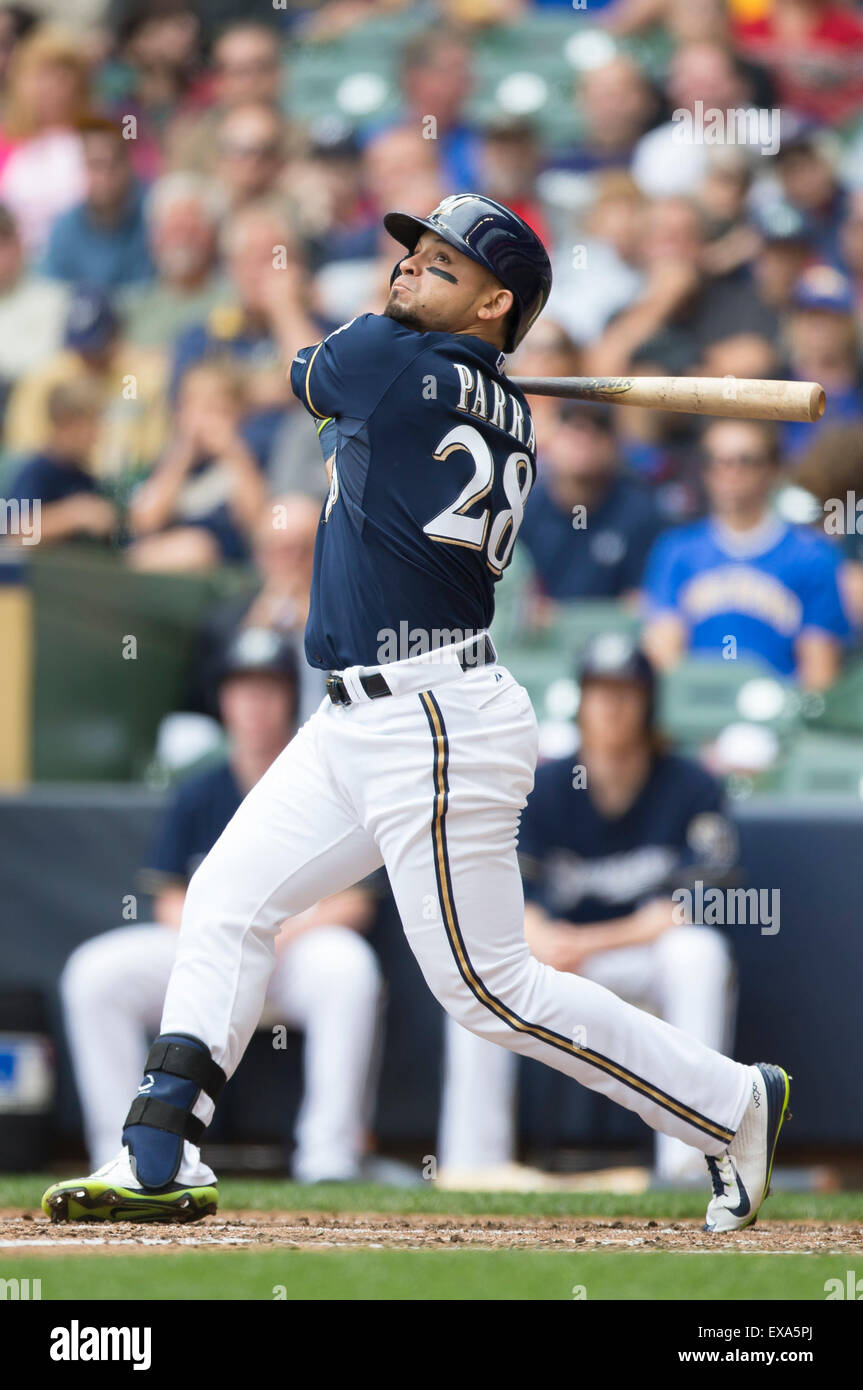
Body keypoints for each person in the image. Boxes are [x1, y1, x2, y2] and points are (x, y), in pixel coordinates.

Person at [43, 193, 789, 1236]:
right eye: (410, 255)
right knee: (225, 896)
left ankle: (729, 1104)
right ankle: (157, 1150)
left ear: (494, 302)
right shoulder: (500, 402)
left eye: (441, 265)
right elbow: (367, 377)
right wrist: (442, 335)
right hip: (362, 716)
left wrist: (400, 331)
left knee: (486, 989)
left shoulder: (392, 364)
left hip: (430, 717)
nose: (406, 271)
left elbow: (310, 373)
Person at [59, 629, 382, 1184]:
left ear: (289, 697)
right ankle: (121, 1153)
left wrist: (275, 933)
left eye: (268, 688)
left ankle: (329, 1157)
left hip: (297, 953)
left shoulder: (324, 783)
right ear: (223, 699)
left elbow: (355, 904)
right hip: (210, 954)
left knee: (348, 967)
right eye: (242, 688)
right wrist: (231, 935)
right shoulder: (200, 790)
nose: (255, 704)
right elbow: (167, 900)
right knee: (94, 974)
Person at [440, 635, 739, 1186]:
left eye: (624, 692)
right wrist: (538, 934)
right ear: (580, 701)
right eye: (599, 692)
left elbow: (690, 905)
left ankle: (689, 1165)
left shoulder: (691, 784)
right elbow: (505, 893)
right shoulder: (545, 784)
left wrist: (585, 943)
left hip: (637, 957)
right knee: (477, 971)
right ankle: (473, 1162)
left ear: (648, 702)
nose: (611, 707)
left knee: (698, 954)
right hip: (558, 959)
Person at [642, 417, 851, 688]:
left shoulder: (813, 556)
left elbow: (819, 675)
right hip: (697, 713)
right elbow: (665, 659)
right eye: (717, 461)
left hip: (776, 716)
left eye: (745, 461)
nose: (730, 473)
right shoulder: (676, 550)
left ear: (774, 469)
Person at [126, 359, 268, 571]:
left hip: (224, 568)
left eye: (217, 410)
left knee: (196, 548)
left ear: (242, 415)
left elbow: (257, 525)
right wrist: (181, 459)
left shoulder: (248, 458)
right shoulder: (171, 459)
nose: (202, 421)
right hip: (166, 562)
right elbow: (146, 520)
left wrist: (234, 454)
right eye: (193, 408)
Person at [518, 399, 664, 602]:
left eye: (599, 426)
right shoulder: (523, 508)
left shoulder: (640, 513)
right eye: (572, 424)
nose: (584, 436)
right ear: (551, 438)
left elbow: (641, 602)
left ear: (615, 443)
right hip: (532, 632)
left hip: (613, 632)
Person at [41, 117, 154, 290]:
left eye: (114, 163)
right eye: (96, 165)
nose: (105, 176)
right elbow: (53, 296)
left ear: (129, 165)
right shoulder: (64, 229)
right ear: (82, 166)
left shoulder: (153, 216)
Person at [4, 378, 119, 548]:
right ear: (65, 423)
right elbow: (15, 533)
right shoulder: (37, 472)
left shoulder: (85, 479)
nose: (97, 434)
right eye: (89, 423)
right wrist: (74, 515)